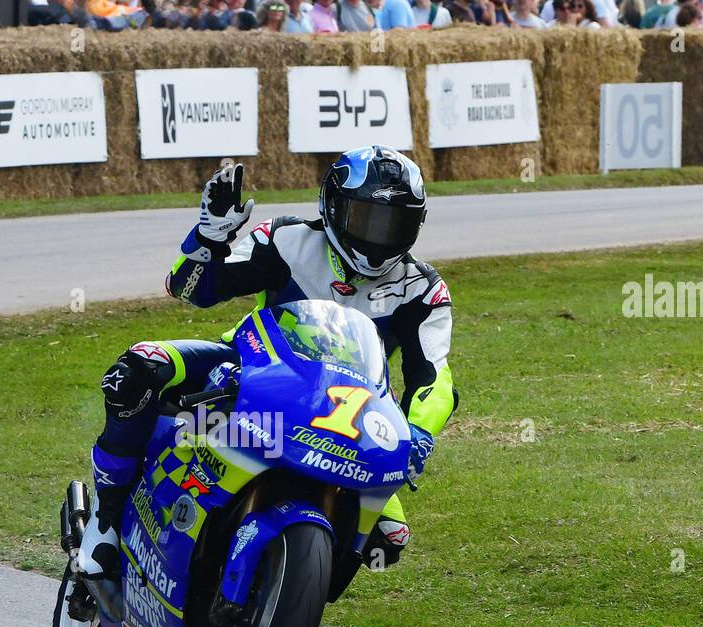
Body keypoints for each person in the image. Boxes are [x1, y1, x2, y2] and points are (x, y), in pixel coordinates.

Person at [76, 148, 458, 578]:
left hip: (346, 417)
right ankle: (105, 523)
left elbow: (434, 380)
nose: (378, 238)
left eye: (394, 224)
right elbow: (189, 289)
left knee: (387, 539)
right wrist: (208, 239)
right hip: (251, 369)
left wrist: (418, 433)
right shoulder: (285, 238)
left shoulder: (422, 290)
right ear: (332, 206)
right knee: (138, 370)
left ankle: (274, 588)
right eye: (366, 219)